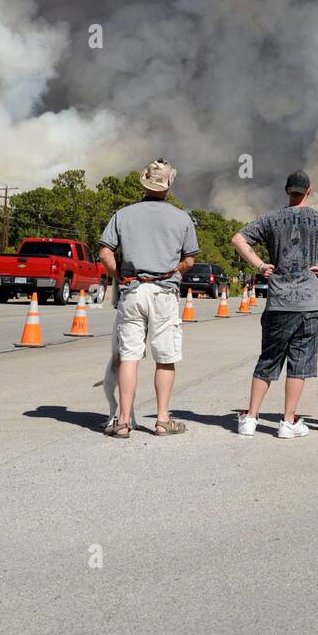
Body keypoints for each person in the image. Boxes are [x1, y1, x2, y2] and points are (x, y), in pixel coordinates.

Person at [231, 171, 318, 439]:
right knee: (299, 365)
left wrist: (260, 265)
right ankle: (287, 422)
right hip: (308, 304)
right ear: (309, 190)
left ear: (287, 191)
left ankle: (250, 417)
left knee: (268, 361)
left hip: (278, 302)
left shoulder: (271, 219)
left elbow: (238, 239)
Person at [98, 159, 199, 440]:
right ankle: (162, 420)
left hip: (132, 291)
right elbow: (189, 260)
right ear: (169, 185)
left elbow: (105, 253)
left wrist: (119, 276)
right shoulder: (182, 218)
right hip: (164, 293)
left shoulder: (123, 214)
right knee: (165, 358)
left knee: (129, 357)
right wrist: (175, 269)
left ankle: (122, 422)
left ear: (144, 181)